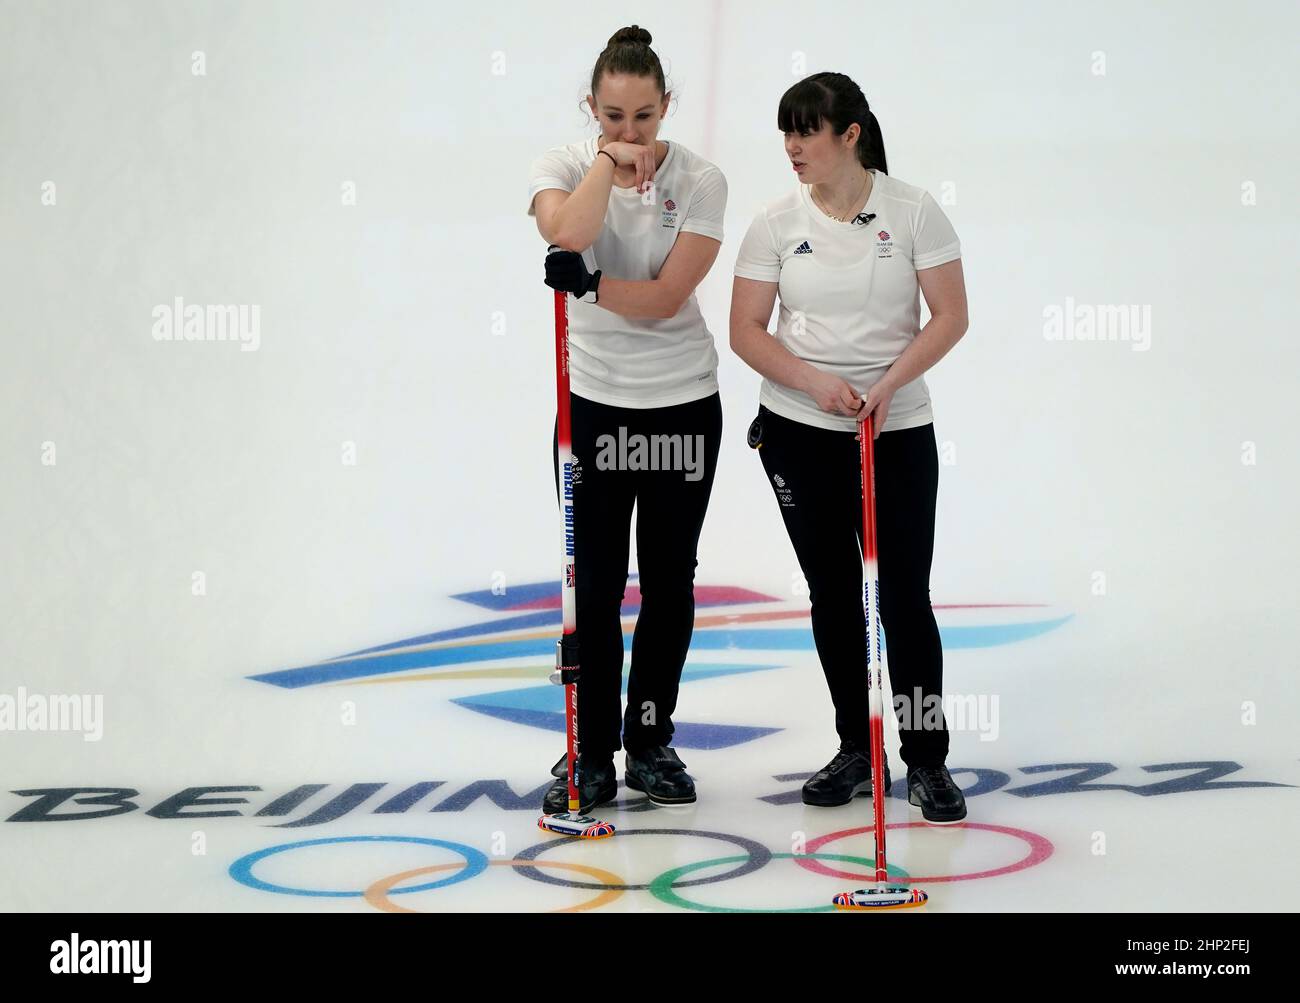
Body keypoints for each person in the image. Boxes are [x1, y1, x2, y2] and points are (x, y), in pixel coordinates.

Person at [730, 72, 970, 822]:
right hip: (802, 432)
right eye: (786, 133)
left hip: (895, 429)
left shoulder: (913, 210)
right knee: (834, 594)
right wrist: (813, 382)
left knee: (904, 598)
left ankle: (926, 759)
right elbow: (745, 332)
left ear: (850, 135)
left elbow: (951, 315)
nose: (792, 147)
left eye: (806, 131)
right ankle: (855, 749)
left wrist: (891, 382)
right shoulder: (773, 223)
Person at [527, 25, 728, 812]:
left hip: (681, 401)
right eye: (613, 117)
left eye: (643, 117)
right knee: (595, 585)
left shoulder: (702, 181)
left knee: (670, 583)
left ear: (666, 107)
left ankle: (649, 739)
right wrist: (609, 166)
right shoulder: (567, 166)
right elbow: (567, 232)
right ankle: (591, 751)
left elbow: (666, 298)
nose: (630, 131)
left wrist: (586, 287)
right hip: (593, 409)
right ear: (592, 109)